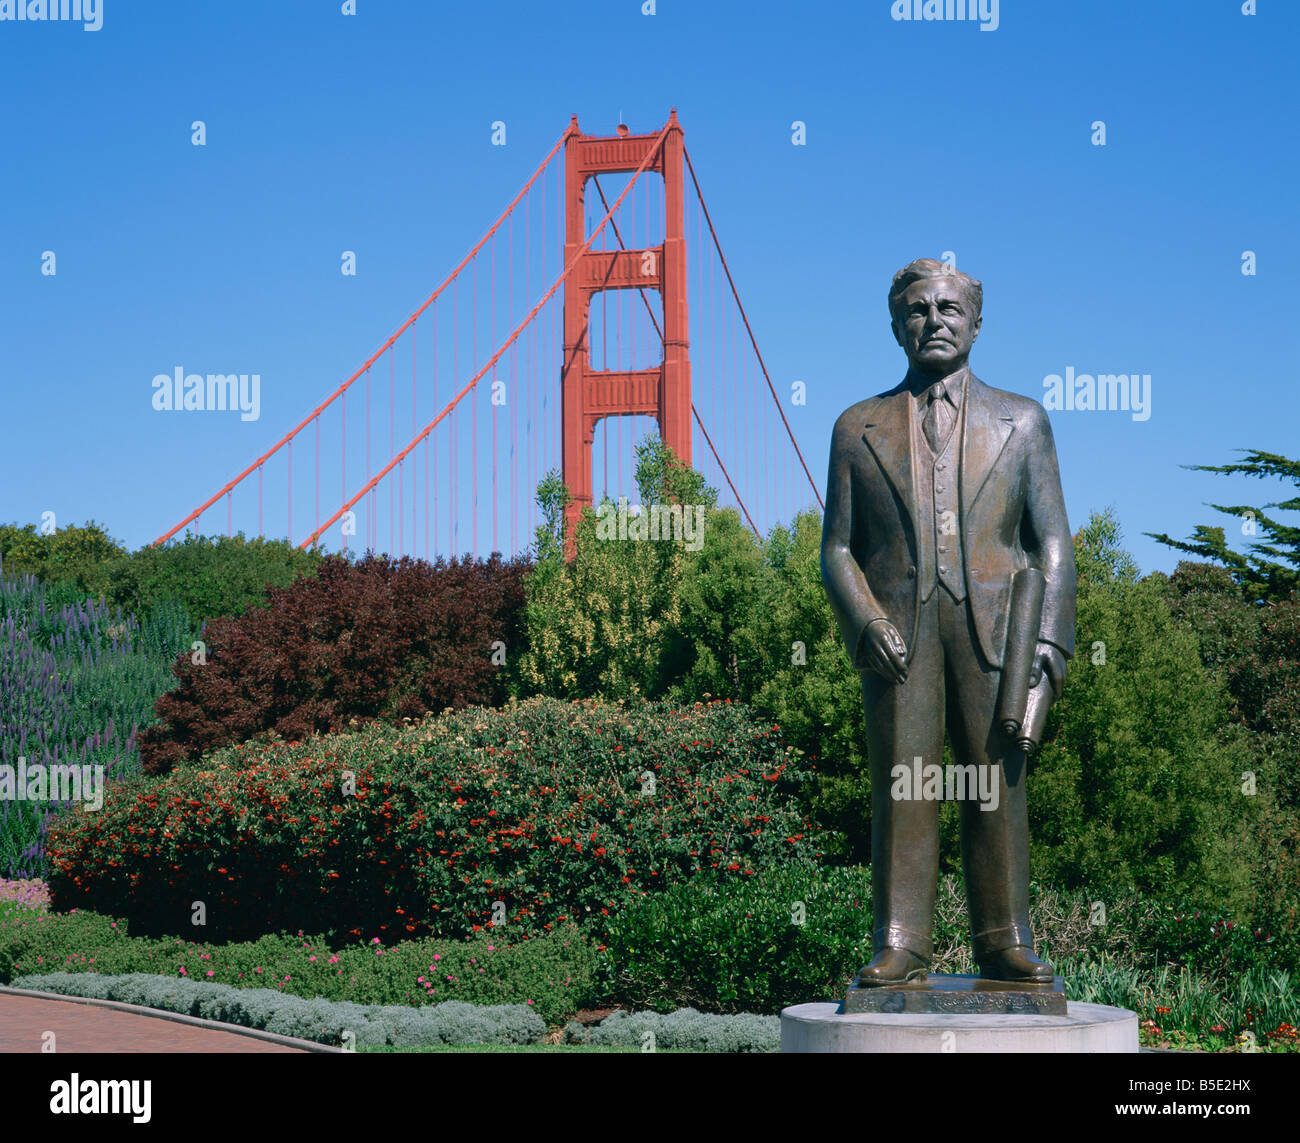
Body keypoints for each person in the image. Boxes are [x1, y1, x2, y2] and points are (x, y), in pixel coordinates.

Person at [820, 258, 1076, 985]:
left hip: (998, 632)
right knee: (905, 786)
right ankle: (900, 940)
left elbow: (1053, 543)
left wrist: (1050, 651)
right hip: (896, 634)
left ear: (976, 320)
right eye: (918, 309)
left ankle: (1005, 939)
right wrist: (864, 619)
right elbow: (835, 548)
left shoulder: (1023, 421)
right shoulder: (854, 427)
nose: (934, 320)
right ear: (897, 324)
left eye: (949, 308)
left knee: (997, 780)